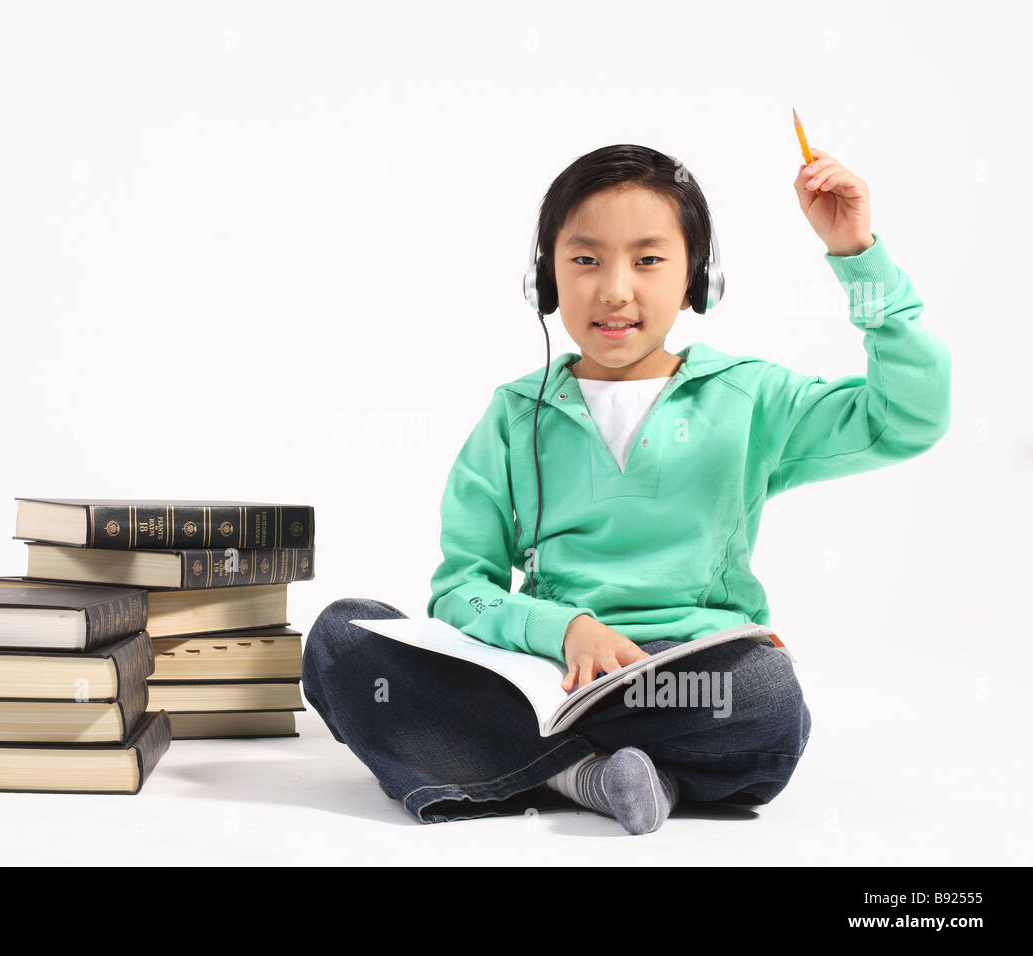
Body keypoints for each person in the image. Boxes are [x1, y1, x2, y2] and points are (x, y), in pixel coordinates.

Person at [302, 144, 951, 833]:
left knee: (765, 697)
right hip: (541, 671)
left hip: (683, 677)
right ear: (543, 280)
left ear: (698, 278)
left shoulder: (752, 399)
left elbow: (906, 416)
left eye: (647, 261)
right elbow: (462, 588)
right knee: (342, 638)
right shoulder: (513, 414)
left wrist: (857, 255)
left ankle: (538, 766)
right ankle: (598, 775)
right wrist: (565, 629)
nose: (614, 290)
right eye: (585, 260)